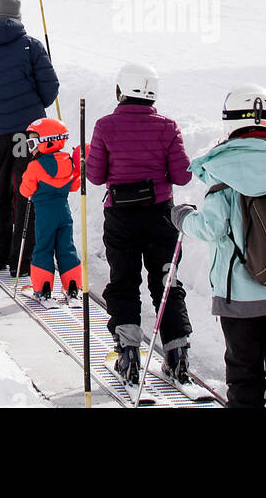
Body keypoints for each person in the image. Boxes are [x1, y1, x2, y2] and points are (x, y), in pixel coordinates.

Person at [179, 85, 266, 407]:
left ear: (230, 120)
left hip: (239, 297)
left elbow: (211, 228)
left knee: (244, 374)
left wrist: (182, 217)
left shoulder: (220, 167)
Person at [85, 63, 194, 385]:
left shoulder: (105, 126)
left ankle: (128, 352)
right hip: (161, 214)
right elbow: (182, 175)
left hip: (120, 215)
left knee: (123, 280)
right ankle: (177, 354)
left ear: (120, 90)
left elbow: (95, 176)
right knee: (166, 281)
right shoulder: (168, 126)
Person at [0, 0, 60, 275]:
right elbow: (50, 89)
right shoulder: (31, 47)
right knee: (28, 192)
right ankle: (24, 260)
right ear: (18, 18)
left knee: (0, 192)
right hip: (31, 135)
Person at [19, 117, 83, 303]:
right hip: (64, 214)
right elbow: (74, 186)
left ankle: (42, 288)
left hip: (45, 216)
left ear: (48, 142)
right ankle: (72, 286)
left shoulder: (35, 166)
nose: (31, 147)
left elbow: (25, 191)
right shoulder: (69, 162)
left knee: (43, 248)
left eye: (33, 142)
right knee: (66, 248)